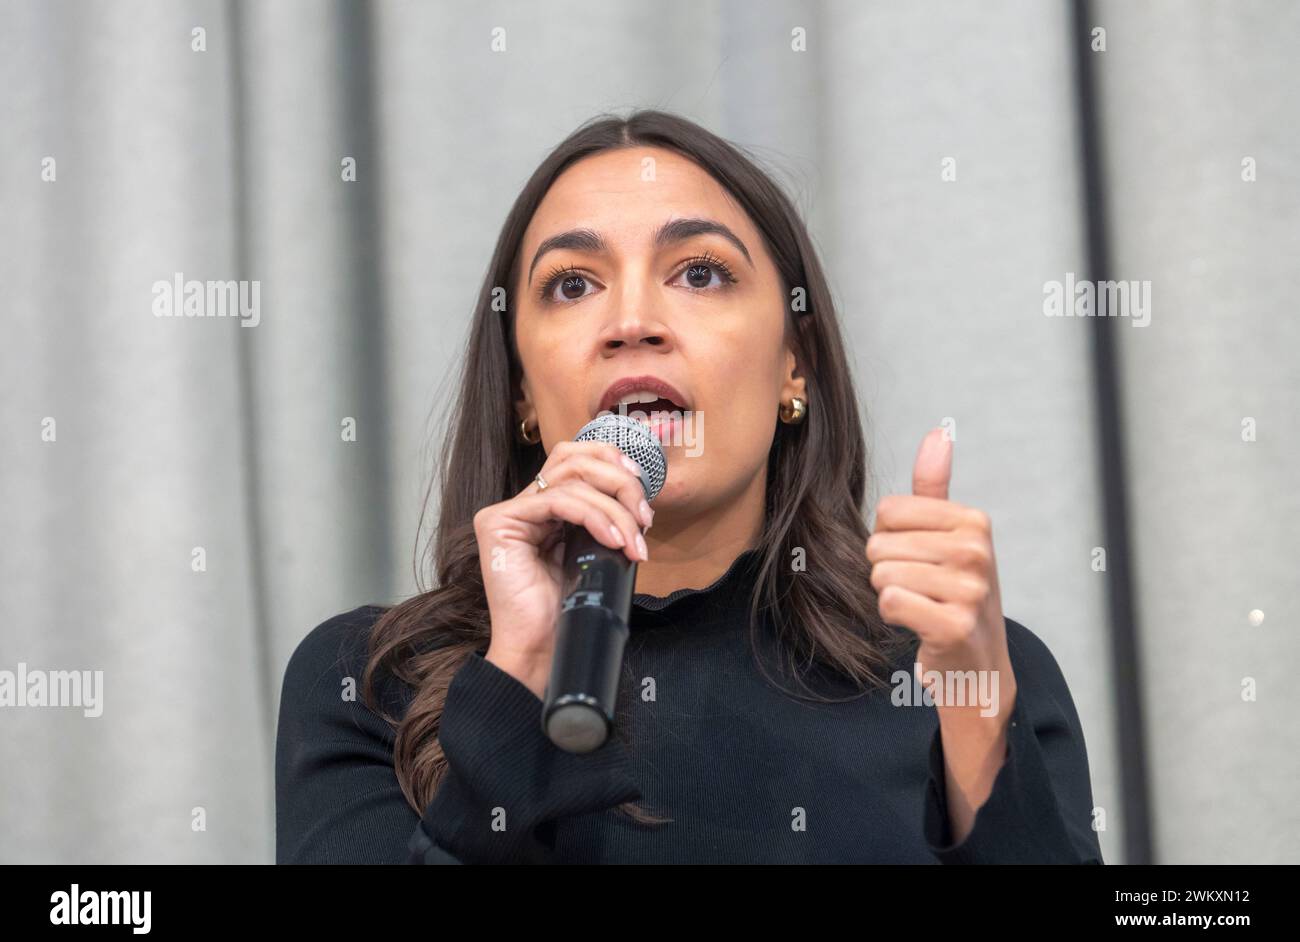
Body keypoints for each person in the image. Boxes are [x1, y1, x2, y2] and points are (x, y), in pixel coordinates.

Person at [274, 109, 1104, 864]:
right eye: (573, 283)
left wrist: (976, 711)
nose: (632, 320)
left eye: (700, 274)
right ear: (523, 393)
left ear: (795, 366)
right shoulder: (371, 682)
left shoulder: (959, 668)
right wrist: (519, 677)